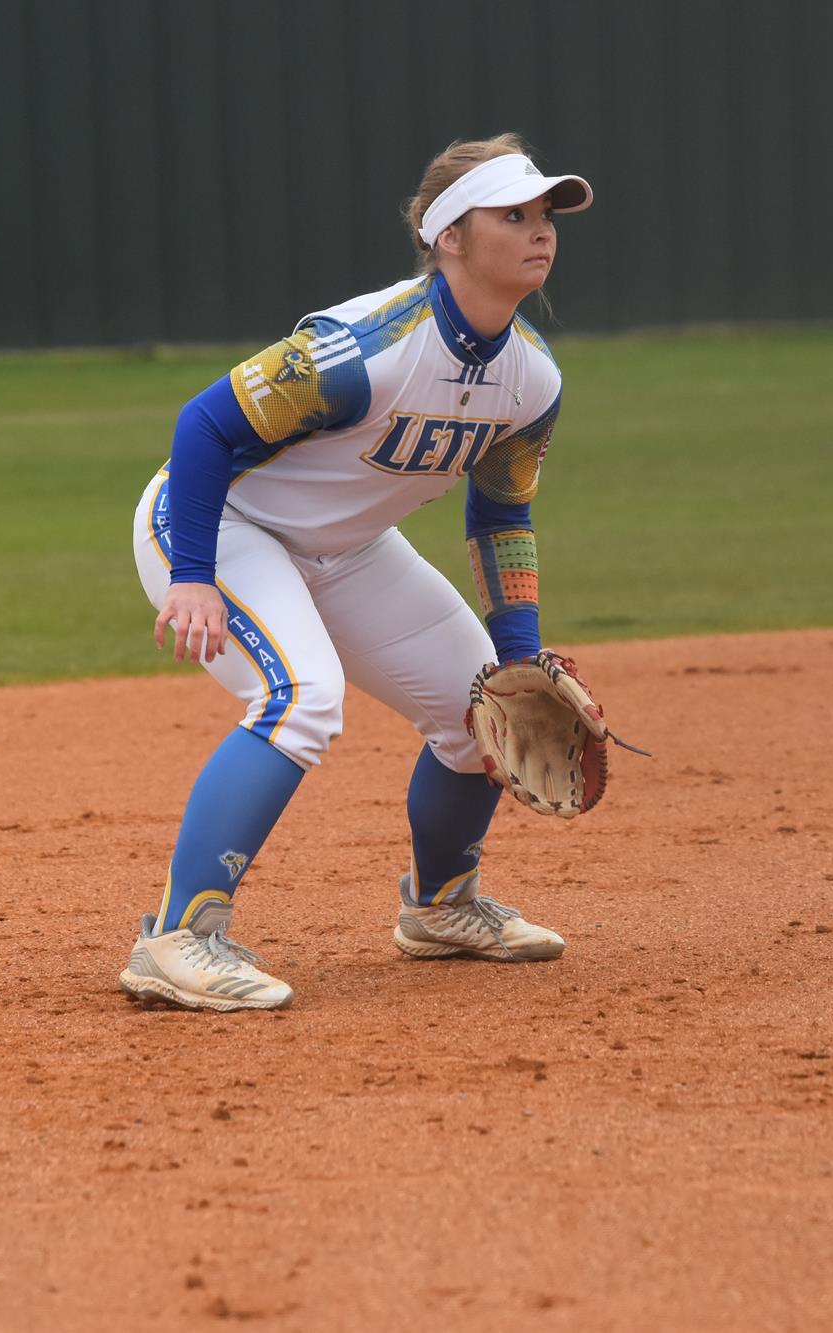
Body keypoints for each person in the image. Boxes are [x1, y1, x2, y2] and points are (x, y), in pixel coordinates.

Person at [117, 134, 592, 1011]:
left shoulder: (529, 381)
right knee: (302, 696)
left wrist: (518, 651)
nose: (540, 232)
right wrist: (190, 573)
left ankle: (441, 906)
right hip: (221, 522)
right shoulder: (360, 349)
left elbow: (501, 514)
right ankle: (177, 937)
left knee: (478, 705)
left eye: (546, 216)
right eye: (514, 214)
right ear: (450, 236)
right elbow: (203, 426)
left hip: (349, 547)